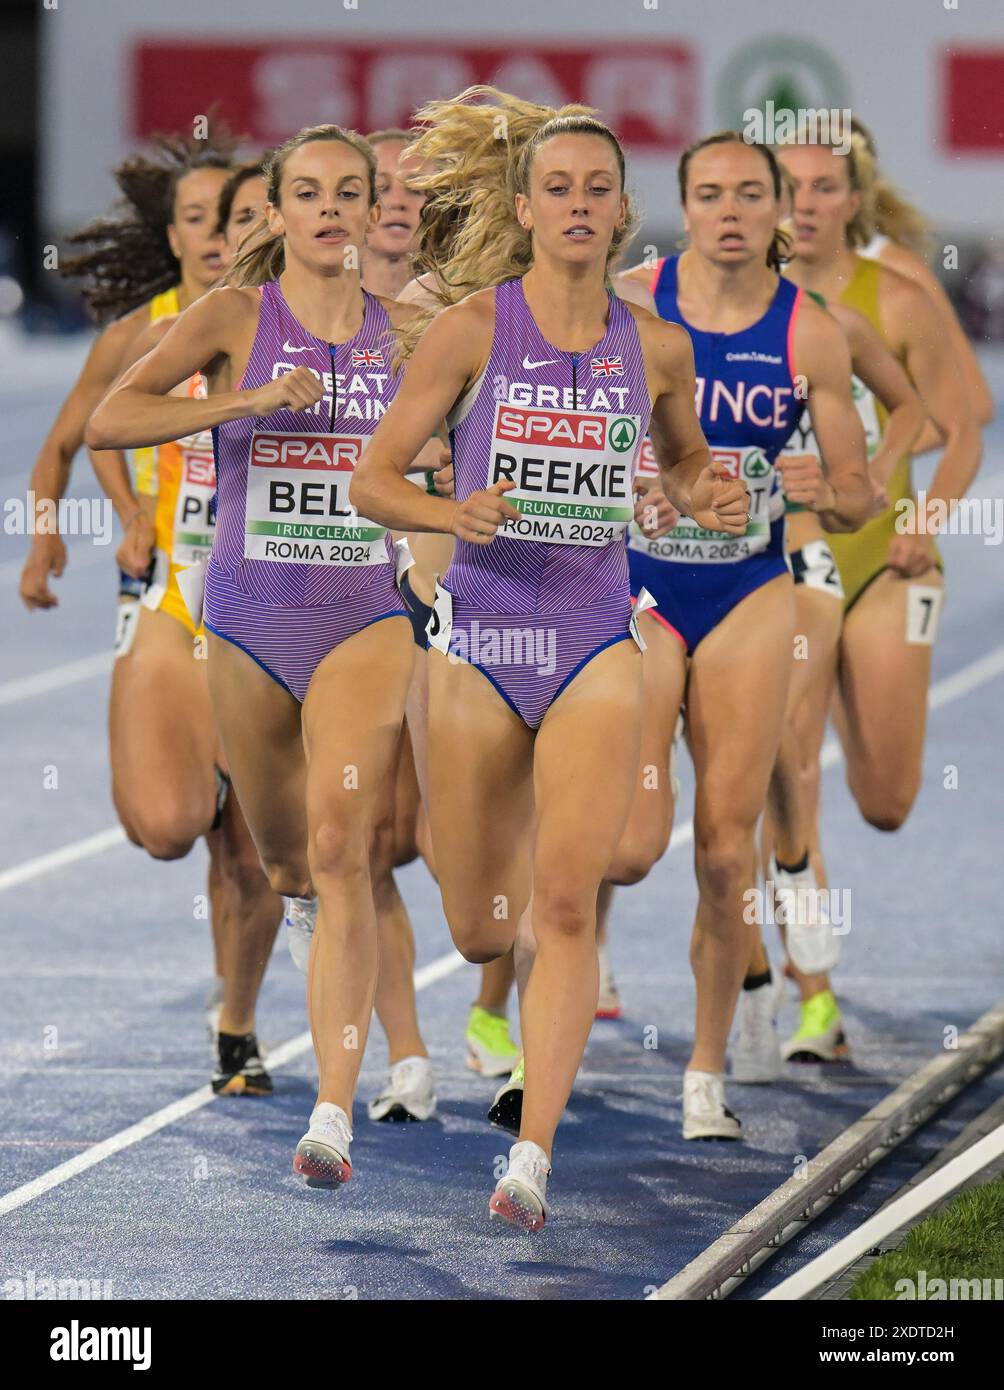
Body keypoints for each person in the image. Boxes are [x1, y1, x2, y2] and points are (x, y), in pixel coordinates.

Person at [351, 88, 743, 1226]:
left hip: (590, 632)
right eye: (556, 188)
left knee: (565, 903)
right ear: (523, 209)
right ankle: (496, 942)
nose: (577, 205)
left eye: (596, 189)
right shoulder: (476, 326)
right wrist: (445, 503)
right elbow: (372, 478)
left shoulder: (655, 345)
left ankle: (529, 1153)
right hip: (478, 630)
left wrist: (694, 494)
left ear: (623, 211)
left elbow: (682, 469)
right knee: (483, 921)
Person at [89, 124, 438, 1180]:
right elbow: (111, 417)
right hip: (242, 615)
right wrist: (243, 402)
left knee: (343, 847)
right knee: (285, 858)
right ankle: (300, 930)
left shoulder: (412, 328)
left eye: (351, 192)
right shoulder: (235, 317)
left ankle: (332, 1107)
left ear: (377, 207)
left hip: (364, 613)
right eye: (308, 193)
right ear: (278, 212)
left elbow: (479, 432)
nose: (332, 209)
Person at [611, 131, 870, 1135]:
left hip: (749, 591)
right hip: (636, 590)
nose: (728, 210)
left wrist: (828, 492)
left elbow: (851, 494)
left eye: (747, 194)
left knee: (724, 851)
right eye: (708, 194)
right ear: (683, 208)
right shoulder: (630, 300)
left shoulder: (809, 333)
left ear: (777, 213)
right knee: (631, 843)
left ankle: (706, 1071)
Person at [777, 131, 982, 1058]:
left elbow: (960, 421)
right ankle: (812, 991)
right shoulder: (722, 296)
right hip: (784, 559)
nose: (804, 204)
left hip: (888, 560)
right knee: (784, 770)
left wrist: (913, 507)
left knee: (888, 798)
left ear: (855, 199)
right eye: (786, 187)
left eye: (824, 188)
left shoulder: (894, 289)